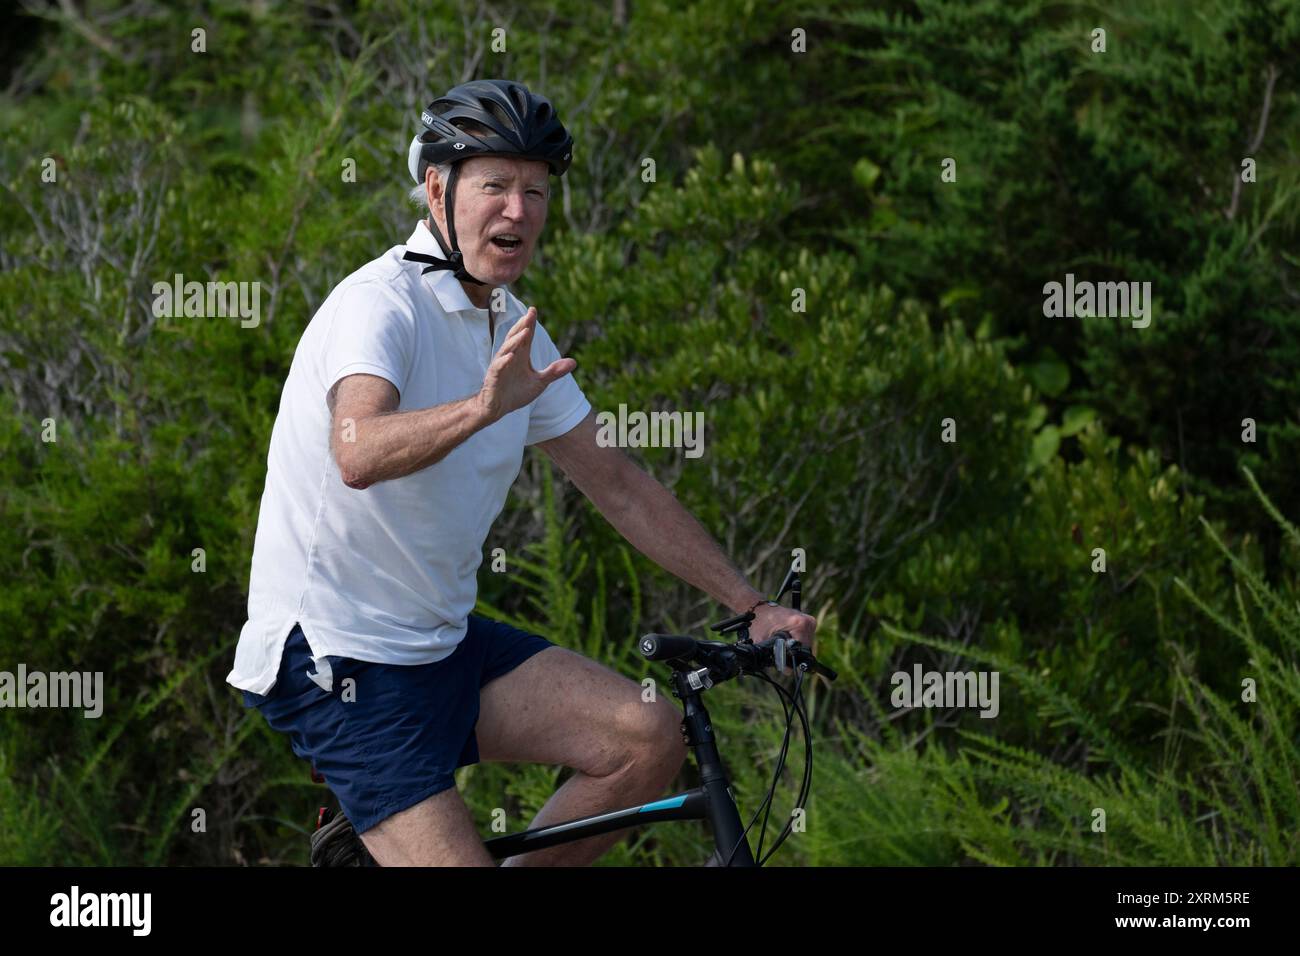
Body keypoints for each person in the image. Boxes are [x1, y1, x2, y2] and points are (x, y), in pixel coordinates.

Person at [227, 78, 816, 866]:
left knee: (646, 737)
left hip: (442, 647)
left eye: (535, 190)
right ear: (438, 189)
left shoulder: (518, 331)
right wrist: (480, 407)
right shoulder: (380, 306)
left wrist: (750, 604)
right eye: (495, 185)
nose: (518, 210)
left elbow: (618, 484)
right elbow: (357, 449)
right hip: (338, 660)